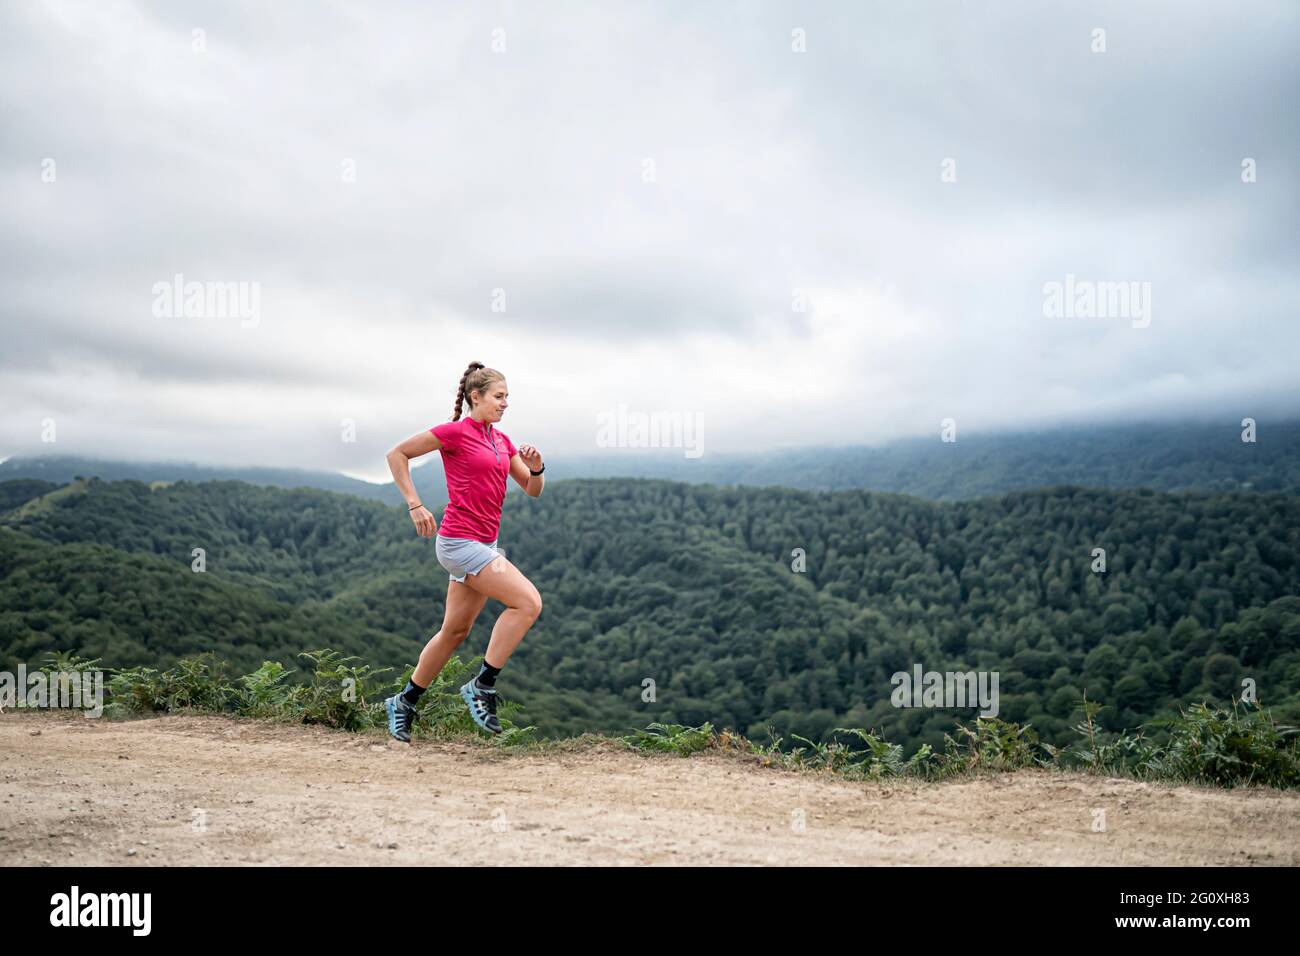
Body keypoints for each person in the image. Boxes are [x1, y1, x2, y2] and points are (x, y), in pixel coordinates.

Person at [382, 361, 546, 740]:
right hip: (458, 542)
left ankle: (403, 702)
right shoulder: (454, 433)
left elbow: (532, 490)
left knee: (454, 631)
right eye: (499, 397)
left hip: (483, 544)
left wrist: (536, 469)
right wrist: (414, 503)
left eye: (508, 398)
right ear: (476, 397)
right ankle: (482, 686)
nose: (505, 404)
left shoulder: (501, 441)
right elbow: (397, 454)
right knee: (528, 603)